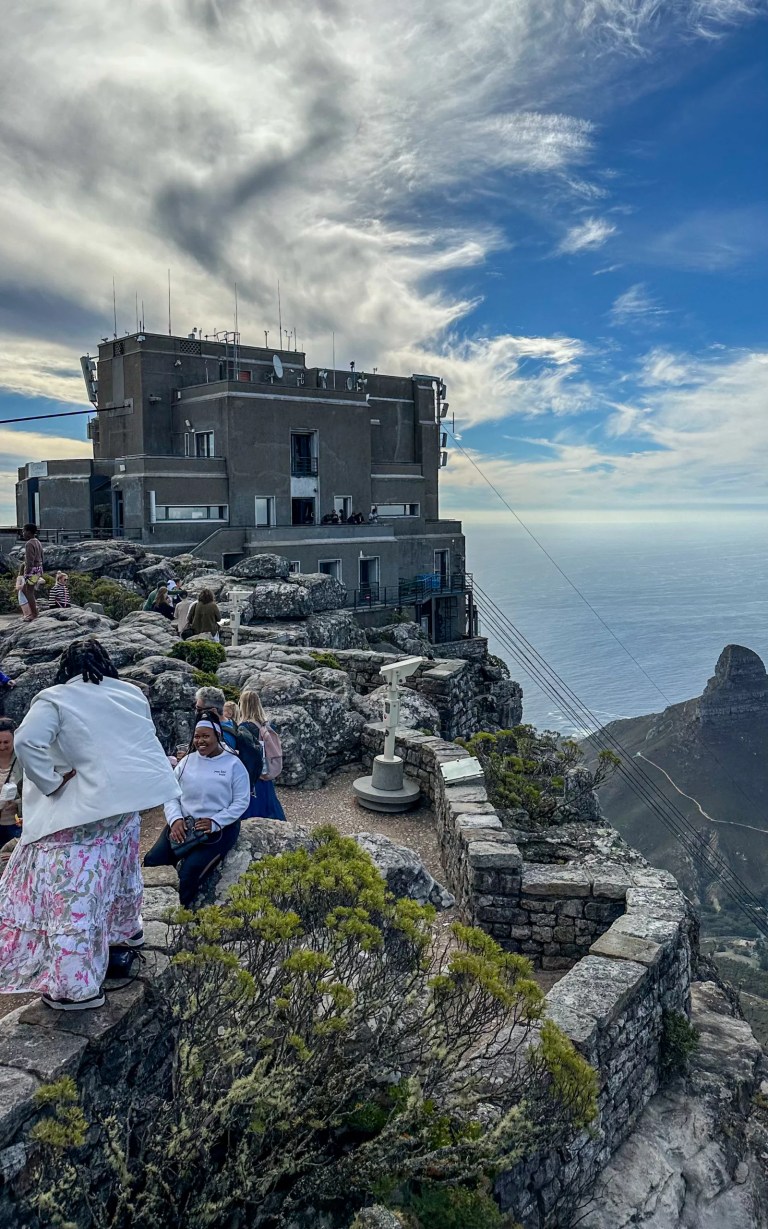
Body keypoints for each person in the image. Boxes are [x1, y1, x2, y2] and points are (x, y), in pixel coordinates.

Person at [0, 638, 180, 1011]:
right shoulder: (129, 693)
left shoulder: (56, 698)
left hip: (77, 821)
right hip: (123, 810)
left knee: (74, 902)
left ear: (64, 666)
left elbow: (27, 742)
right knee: (120, 877)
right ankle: (124, 935)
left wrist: (53, 780)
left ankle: (74, 988)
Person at [144, 717, 250, 908]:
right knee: (153, 860)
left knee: (190, 871)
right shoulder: (187, 762)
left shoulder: (234, 764)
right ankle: (143, 909)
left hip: (219, 829)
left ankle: (178, 913)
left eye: (206, 736)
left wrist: (216, 821)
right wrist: (175, 819)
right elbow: (171, 793)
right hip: (184, 824)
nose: (200, 741)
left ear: (217, 736)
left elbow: (241, 801)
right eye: (197, 736)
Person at [237, 690, 285, 820]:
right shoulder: (265, 724)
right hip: (265, 770)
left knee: (254, 808)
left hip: (253, 775)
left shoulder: (244, 726)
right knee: (269, 803)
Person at [0, 720, 22, 849]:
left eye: (6, 742)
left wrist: (17, 803)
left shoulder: (23, 761)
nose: (2, 746)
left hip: (16, 824)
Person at [20, 525, 43, 622]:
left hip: (32, 570)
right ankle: (34, 611)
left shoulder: (29, 544)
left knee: (28, 591)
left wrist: (27, 572)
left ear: (29, 532)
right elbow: (42, 556)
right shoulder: (37, 541)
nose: (23, 533)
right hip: (38, 569)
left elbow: (30, 560)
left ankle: (34, 614)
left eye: (24, 531)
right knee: (26, 590)